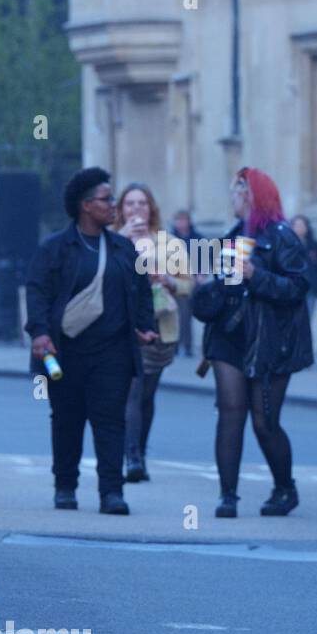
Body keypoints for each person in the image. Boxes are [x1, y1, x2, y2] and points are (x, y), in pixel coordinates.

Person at [25, 167, 159, 515]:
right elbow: (37, 292)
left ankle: (111, 492)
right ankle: (65, 486)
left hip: (113, 353)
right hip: (64, 351)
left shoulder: (122, 248)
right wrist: (40, 332)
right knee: (67, 420)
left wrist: (146, 326)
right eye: (106, 199)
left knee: (111, 421)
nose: (114, 205)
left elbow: (141, 292)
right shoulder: (56, 248)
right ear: (86, 206)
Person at [192, 168, 312, 518]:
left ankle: (285, 488)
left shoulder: (282, 236)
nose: (231, 196)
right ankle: (227, 496)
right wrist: (207, 284)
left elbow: (297, 288)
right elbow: (224, 291)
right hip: (229, 337)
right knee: (230, 412)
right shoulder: (230, 236)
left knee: (265, 422)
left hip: (269, 342)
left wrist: (255, 275)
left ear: (251, 196)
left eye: (237, 190)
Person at [113, 183, 192, 483]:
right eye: (130, 204)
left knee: (146, 394)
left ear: (151, 209)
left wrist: (169, 280)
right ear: (121, 210)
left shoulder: (169, 244)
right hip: (123, 328)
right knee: (132, 390)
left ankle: (139, 453)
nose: (136, 210)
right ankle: (131, 456)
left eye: (142, 204)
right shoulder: (113, 241)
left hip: (160, 326)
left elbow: (188, 285)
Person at [169, 210, 203, 356]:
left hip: (190, 281)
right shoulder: (169, 239)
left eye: (184, 220)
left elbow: (202, 259)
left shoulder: (197, 238)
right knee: (174, 314)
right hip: (173, 279)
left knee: (186, 315)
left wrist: (200, 275)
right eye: (179, 220)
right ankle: (175, 345)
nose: (181, 223)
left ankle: (187, 345)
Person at [290, 215, 317, 320]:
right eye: (296, 225)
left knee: (307, 320)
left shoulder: (314, 246)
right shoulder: (288, 246)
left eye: (302, 225)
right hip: (293, 289)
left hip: (310, 289)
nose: (299, 228)